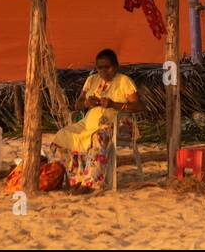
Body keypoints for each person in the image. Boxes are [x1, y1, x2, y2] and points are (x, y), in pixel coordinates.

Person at [49, 48, 142, 192]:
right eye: (100, 68)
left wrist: (113, 104)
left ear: (116, 66)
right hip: (87, 124)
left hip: (116, 124)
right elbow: (77, 104)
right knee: (62, 134)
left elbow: (138, 106)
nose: (104, 71)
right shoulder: (91, 80)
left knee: (99, 136)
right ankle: (76, 179)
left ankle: (91, 183)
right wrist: (87, 103)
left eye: (107, 67)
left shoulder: (124, 81)